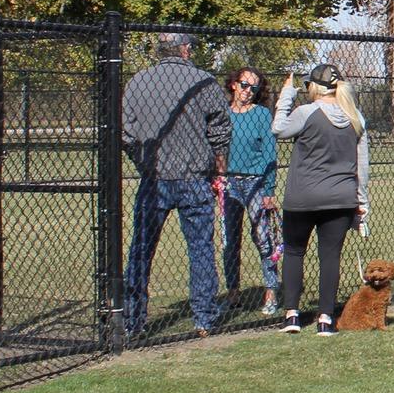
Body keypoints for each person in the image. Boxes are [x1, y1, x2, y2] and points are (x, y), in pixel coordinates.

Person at [121, 32, 230, 339]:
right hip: (195, 176)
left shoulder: (138, 82)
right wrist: (219, 170)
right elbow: (220, 131)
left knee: (140, 249)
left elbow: (126, 133)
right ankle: (204, 317)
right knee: (200, 249)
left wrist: (143, 162)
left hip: (154, 177)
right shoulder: (204, 81)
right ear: (184, 49)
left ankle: (133, 319)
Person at [273, 62, 369, 336]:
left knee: (293, 252)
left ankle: (292, 315)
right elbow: (361, 167)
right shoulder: (355, 117)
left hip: (302, 197)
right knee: (330, 257)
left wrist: (286, 95)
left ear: (313, 87)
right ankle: (326, 318)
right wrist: (362, 202)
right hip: (340, 198)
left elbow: (279, 129)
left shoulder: (306, 112)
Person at [221, 67, 281, 317]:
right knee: (229, 241)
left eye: (253, 88)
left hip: (256, 182)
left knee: (262, 237)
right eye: (244, 85)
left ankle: (271, 291)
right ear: (234, 84)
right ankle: (233, 293)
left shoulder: (261, 115)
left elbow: (269, 152)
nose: (248, 92)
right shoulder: (223, 114)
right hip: (229, 182)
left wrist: (268, 189)